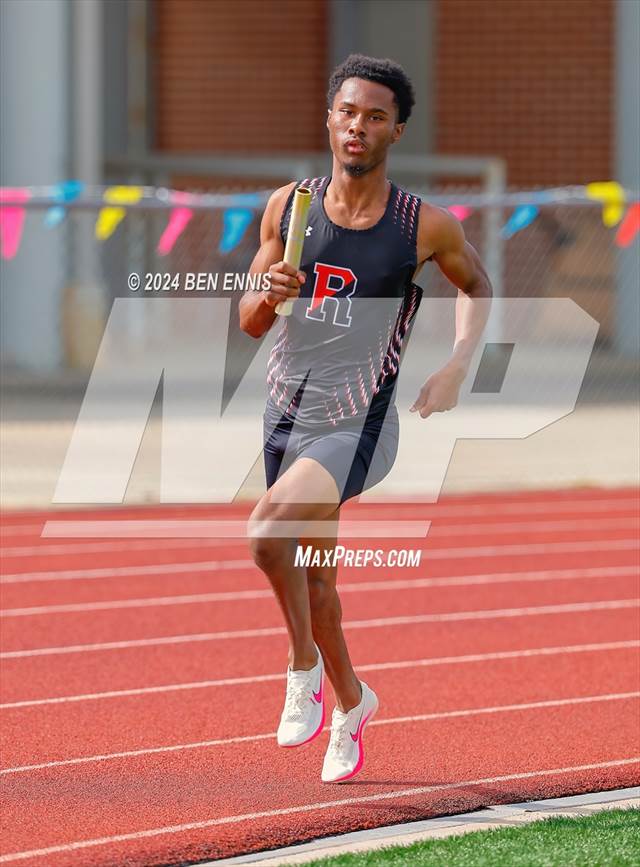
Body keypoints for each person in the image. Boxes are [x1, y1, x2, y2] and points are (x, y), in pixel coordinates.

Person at [239, 54, 492, 783]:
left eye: (375, 116)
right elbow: (252, 322)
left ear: (396, 130)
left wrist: (456, 363)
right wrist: (268, 293)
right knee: (317, 579)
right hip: (286, 413)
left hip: (359, 422)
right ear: (329, 118)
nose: (358, 126)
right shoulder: (289, 208)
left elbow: (476, 282)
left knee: (266, 533)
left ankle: (301, 669)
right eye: (348, 111)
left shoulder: (424, 225)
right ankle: (351, 700)